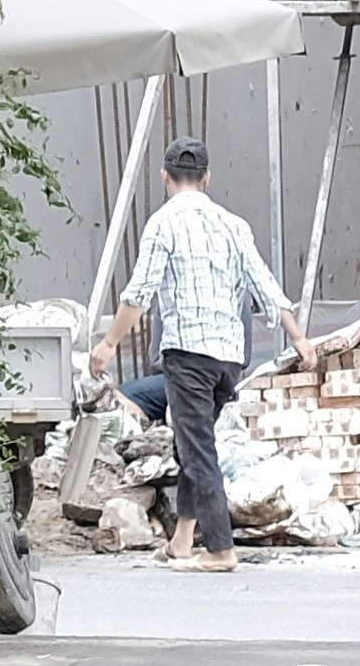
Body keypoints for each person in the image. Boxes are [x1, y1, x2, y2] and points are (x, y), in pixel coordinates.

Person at [117, 139, 295, 568]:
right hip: (229, 358)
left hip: (189, 353)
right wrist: (299, 337)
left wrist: (108, 344)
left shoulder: (163, 223)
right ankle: (181, 539)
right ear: (207, 179)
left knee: (198, 451)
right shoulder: (234, 224)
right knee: (193, 441)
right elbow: (265, 284)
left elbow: (140, 293)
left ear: (165, 178)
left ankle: (219, 548)